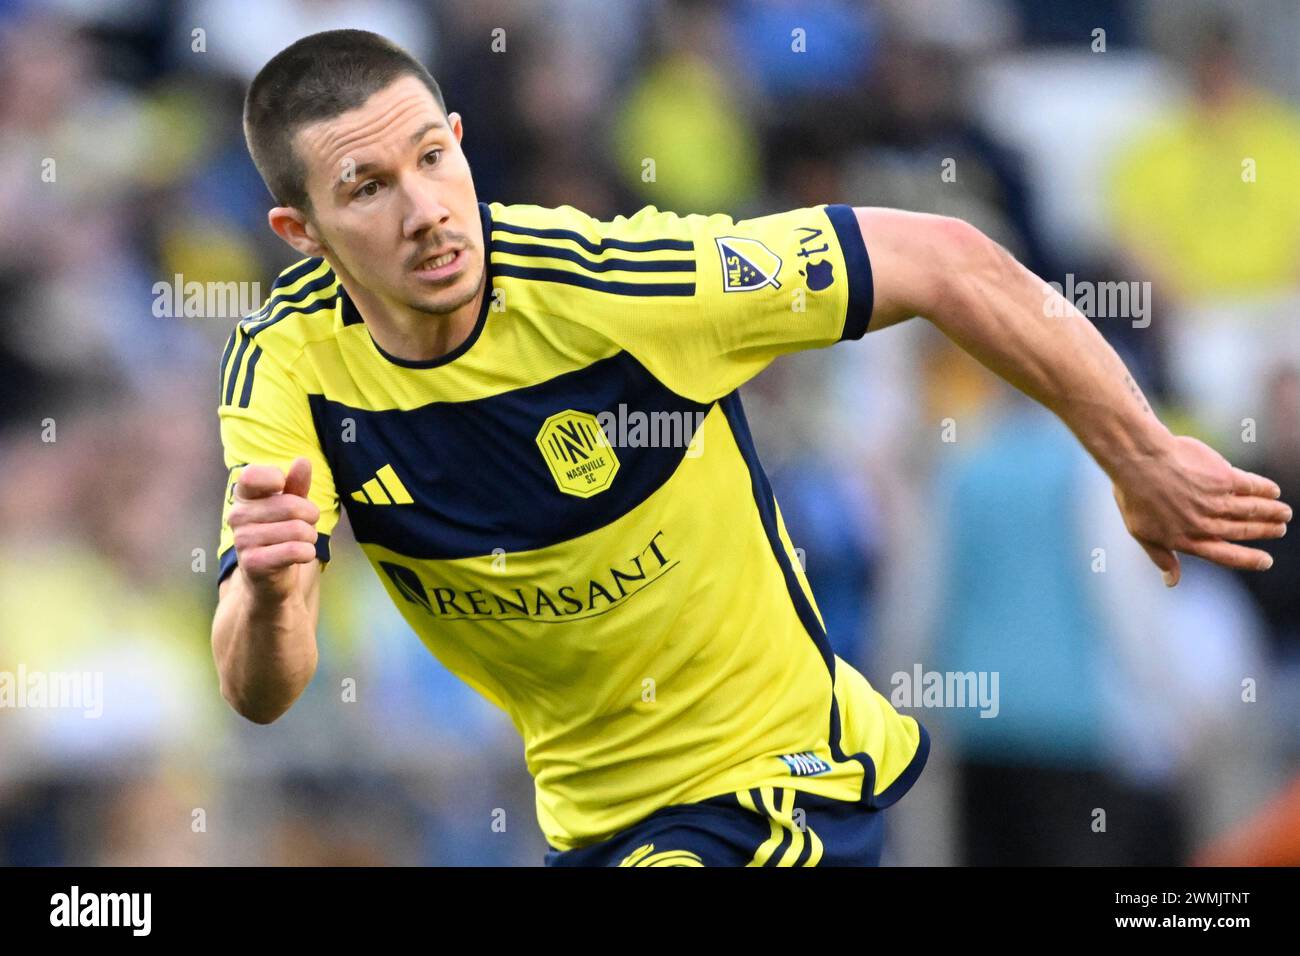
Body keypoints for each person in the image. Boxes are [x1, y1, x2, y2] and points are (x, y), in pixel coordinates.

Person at [211, 29, 1291, 867]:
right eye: (367, 188)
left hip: (783, 778)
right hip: (596, 821)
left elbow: (947, 259)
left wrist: (1138, 456)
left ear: (456, 135)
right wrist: (266, 591)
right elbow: (262, 687)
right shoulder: (286, 373)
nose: (428, 211)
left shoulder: (624, 287)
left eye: (432, 158)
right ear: (300, 231)